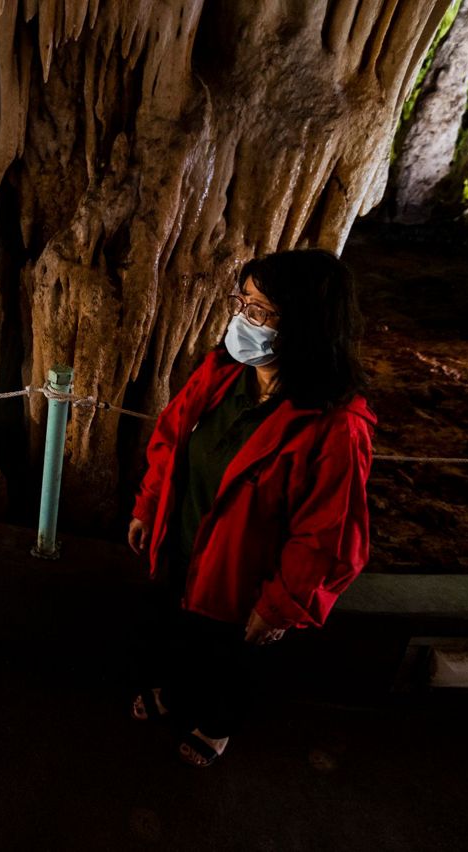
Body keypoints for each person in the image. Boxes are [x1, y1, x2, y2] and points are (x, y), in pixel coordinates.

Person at [126, 248, 376, 768]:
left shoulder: (333, 428)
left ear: (306, 324)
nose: (243, 320)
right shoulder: (222, 375)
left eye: (260, 312)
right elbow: (172, 438)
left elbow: (326, 534)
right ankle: (174, 691)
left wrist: (281, 603)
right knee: (178, 632)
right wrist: (150, 506)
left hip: (244, 580)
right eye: (241, 303)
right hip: (184, 544)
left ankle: (217, 725)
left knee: (230, 658)